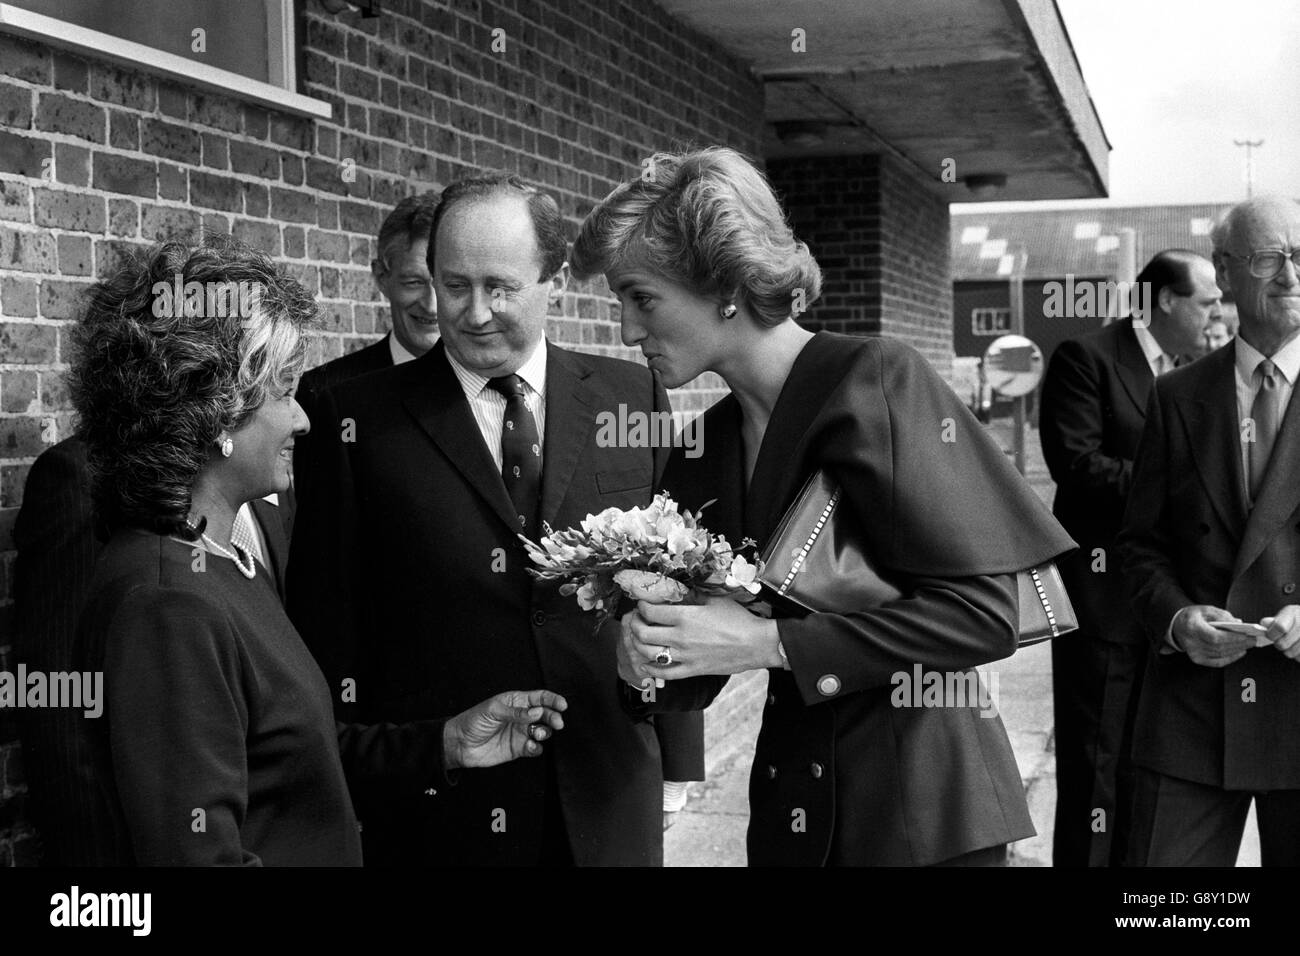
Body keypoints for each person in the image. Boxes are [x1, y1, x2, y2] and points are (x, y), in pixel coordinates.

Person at [569, 147, 1076, 866]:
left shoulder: (876, 379)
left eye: (641, 298)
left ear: (723, 284)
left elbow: (986, 616)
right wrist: (643, 661)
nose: (625, 331)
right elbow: (702, 659)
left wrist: (767, 645)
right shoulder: (702, 446)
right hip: (794, 821)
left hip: (925, 818)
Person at [64, 235, 565, 866]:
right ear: (217, 414)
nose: (302, 419)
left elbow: (295, 756)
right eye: (281, 392)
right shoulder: (167, 604)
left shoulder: (219, 562)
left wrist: (447, 743)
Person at [288, 174, 694, 866]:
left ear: (555, 280)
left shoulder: (636, 396)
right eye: (453, 286)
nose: (475, 313)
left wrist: (679, 760)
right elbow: (328, 629)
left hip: (609, 790)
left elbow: (675, 580)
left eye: (501, 288)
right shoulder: (351, 417)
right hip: (441, 809)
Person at [1118, 196, 1300, 866]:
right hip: (1194, 716)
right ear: (1225, 273)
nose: (1290, 275)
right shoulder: (1176, 396)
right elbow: (1139, 547)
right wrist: (1177, 618)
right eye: (1268, 258)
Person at [1039, 249, 1219, 867]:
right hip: (1103, 604)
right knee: (1097, 767)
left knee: (1147, 769)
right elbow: (1078, 466)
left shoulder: (1194, 371)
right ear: (1166, 301)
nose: (1217, 313)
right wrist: (1180, 482)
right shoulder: (1085, 359)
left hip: (1165, 607)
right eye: (1207, 301)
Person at [295, 192, 440, 422]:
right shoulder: (323, 393)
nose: (431, 305)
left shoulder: (496, 381)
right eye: (413, 282)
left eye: (445, 283)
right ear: (381, 277)